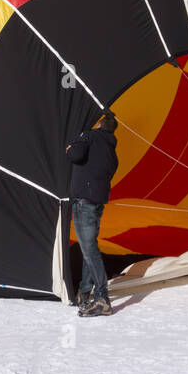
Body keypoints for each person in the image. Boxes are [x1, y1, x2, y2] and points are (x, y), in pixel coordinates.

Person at [67, 111, 120, 315]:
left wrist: (72, 146)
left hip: (84, 202)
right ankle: (84, 293)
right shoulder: (111, 151)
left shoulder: (89, 136)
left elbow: (76, 155)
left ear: (99, 124)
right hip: (98, 202)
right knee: (88, 247)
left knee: (89, 250)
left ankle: (102, 298)